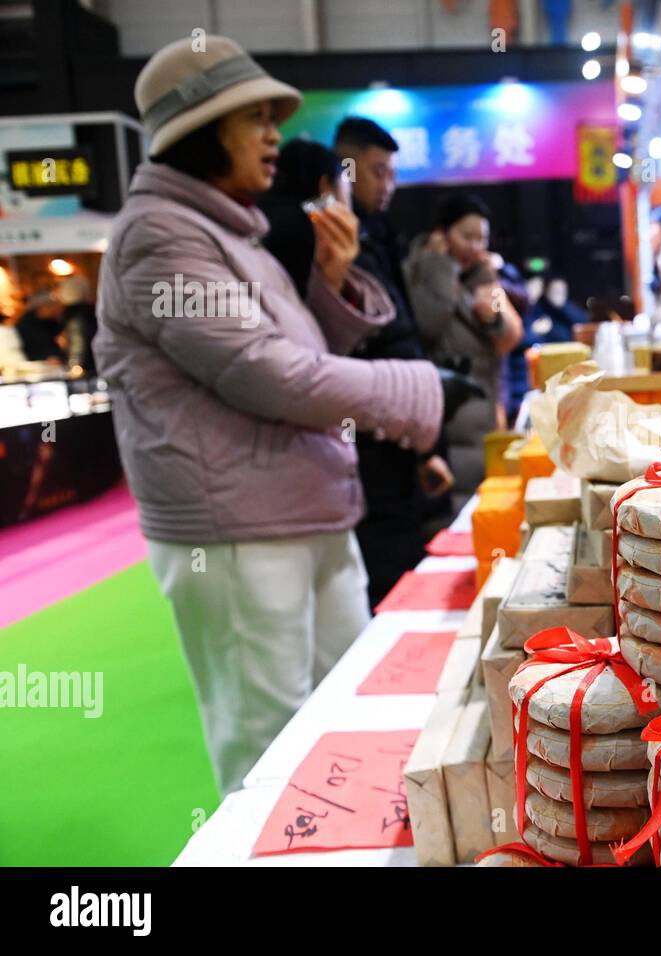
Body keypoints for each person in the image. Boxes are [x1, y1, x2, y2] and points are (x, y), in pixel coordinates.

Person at [93, 36, 445, 795]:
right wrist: (417, 390)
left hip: (305, 507)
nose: (273, 135)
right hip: (237, 530)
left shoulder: (231, 232)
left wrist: (330, 286)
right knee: (267, 752)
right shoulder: (159, 233)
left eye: (271, 118)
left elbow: (285, 359)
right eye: (251, 118)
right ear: (198, 131)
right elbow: (266, 374)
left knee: (343, 723)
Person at [263, 134, 471, 607]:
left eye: (393, 174)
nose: (387, 184)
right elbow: (337, 357)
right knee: (385, 577)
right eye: (376, 172)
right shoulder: (311, 237)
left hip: (385, 431)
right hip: (362, 438)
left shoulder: (367, 235)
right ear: (331, 182)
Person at [404, 193, 525, 511]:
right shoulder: (419, 272)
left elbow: (510, 336)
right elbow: (428, 324)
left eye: (481, 238)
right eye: (466, 236)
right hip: (446, 420)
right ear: (441, 234)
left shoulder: (484, 277)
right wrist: (439, 266)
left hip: (485, 419)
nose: (475, 246)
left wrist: (494, 317)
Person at [505, 275, 585, 422]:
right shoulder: (534, 311)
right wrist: (535, 330)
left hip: (562, 373)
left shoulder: (565, 312)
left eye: (561, 291)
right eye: (554, 290)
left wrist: (562, 305)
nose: (557, 294)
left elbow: (582, 322)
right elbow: (516, 339)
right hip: (526, 377)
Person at [16, 291, 66, 364]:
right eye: (53, 306)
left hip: (55, 365)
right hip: (34, 365)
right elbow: (24, 350)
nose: (58, 309)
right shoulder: (25, 325)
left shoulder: (53, 323)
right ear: (43, 307)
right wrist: (45, 359)